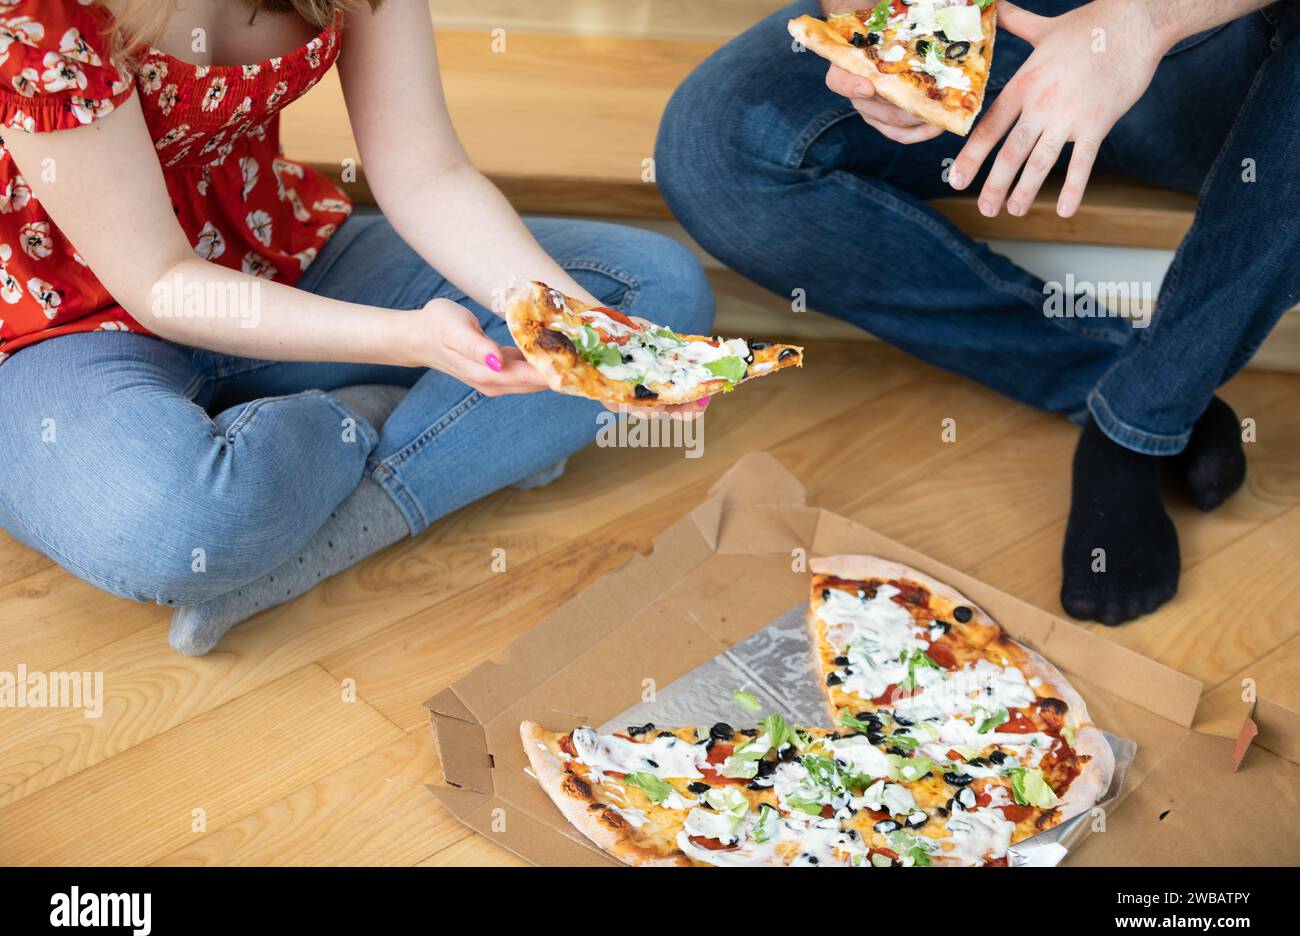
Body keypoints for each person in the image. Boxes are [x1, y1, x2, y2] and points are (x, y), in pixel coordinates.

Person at [0, 0, 714, 655]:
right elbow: (159, 281)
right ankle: (387, 420)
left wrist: (574, 323)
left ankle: (335, 515)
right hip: (58, 320)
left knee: (653, 291)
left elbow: (426, 174)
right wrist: (406, 339)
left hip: (273, 252)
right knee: (173, 526)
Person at [656, 0, 1299, 625]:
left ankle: (1138, 420)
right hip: (1014, 21)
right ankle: (1115, 373)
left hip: (1238, 56)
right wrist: (885, 44)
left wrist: (1136, 24)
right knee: (714, 150)